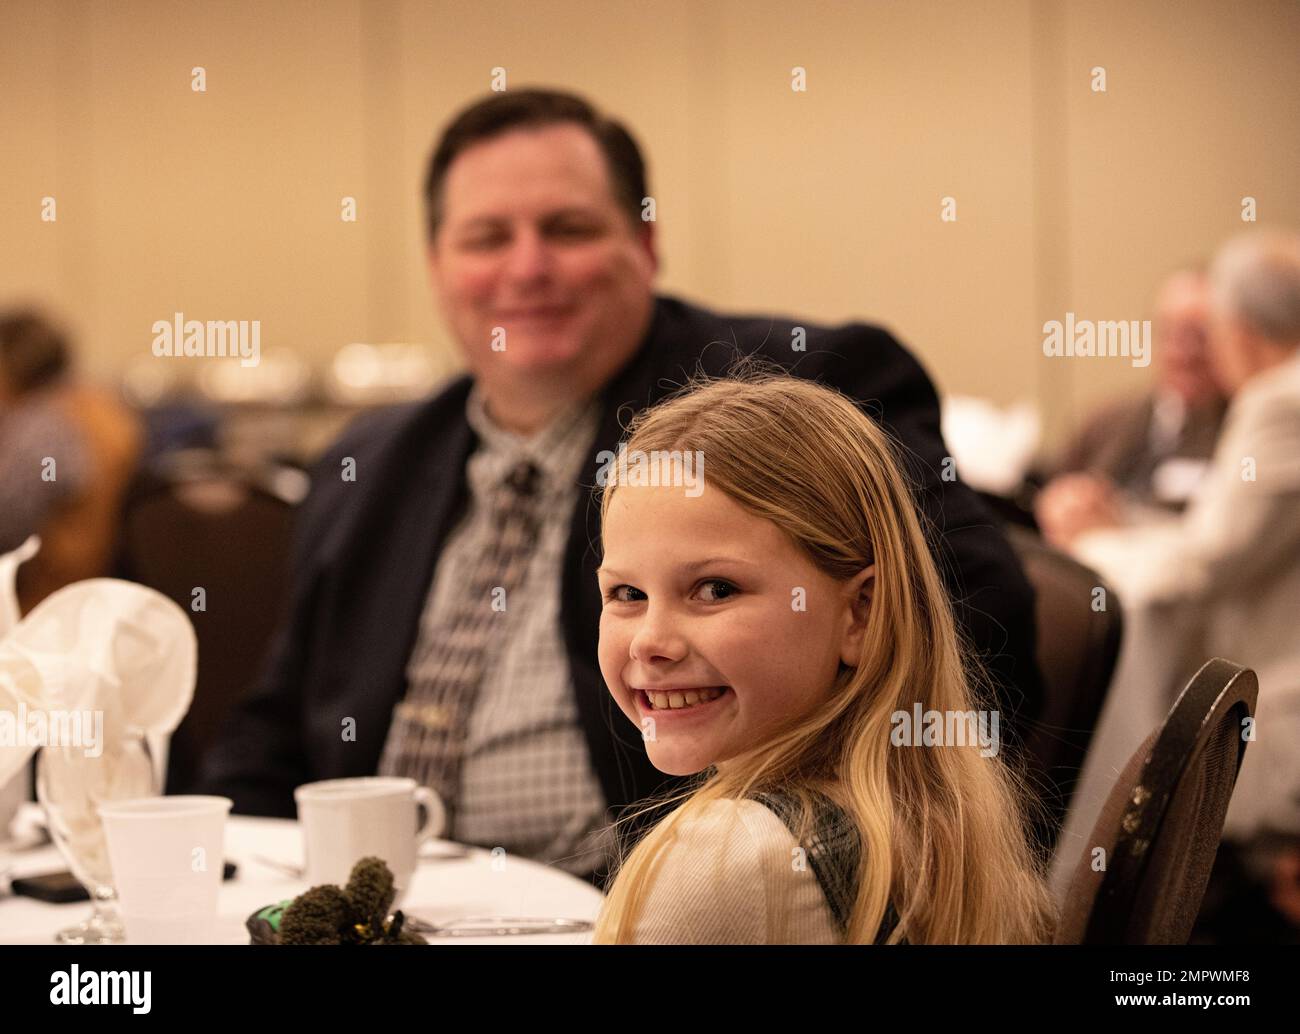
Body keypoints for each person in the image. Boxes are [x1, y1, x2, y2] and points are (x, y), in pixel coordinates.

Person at [198, 88, 1046, 885]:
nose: (527, 269)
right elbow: (275, 726)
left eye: (567, 228)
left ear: (644, 244)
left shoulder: (790, 394)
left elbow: (969, 617)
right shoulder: (370, 461)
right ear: (436, 265)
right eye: (487, 238)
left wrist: (759, 851)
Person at [590, 370, 1057, 943]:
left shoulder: (723, 862)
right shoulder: (933, 820)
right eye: (627, 594)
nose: (649, 642)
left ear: (860, 613)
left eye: (715, 589)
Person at [1046, 229, 1300, 927]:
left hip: (1279, 706)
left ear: (1237, 325)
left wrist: (1095, 540)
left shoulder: (1280, 401)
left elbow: (1202, 566)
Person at [1035, 267, 1227, 541]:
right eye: (1170, 332)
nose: (1183, 351)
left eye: (1198, 335)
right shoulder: (1107, 420)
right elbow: (1050, 494)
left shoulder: (1246, 427)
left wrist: (1118, 526)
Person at [0, 309, 142, 614]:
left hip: (41, 605)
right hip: (97, 596)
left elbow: (6, 520)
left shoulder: (44, 425)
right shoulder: (103, 407)